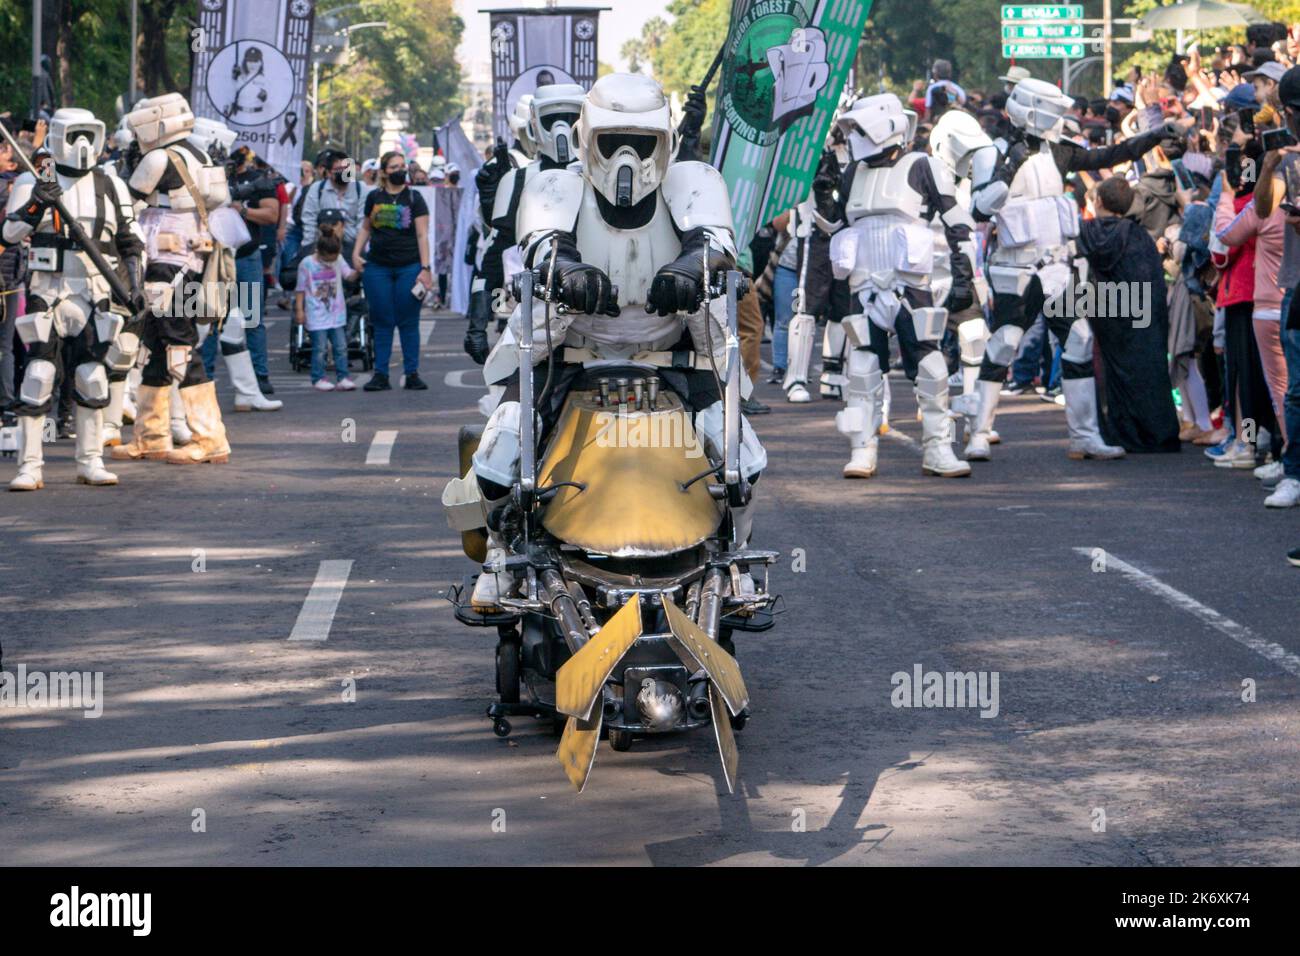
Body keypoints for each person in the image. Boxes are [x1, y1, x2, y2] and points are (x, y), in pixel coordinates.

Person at [469, 72, 765, 609]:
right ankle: (500, 556)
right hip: (571, 355)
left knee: (741, 454)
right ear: (589, 139)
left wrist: (690, 269)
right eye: (613, 142)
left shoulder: (692, 181)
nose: (627, 158)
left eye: (642, 142)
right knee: (499, 448)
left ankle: (733, 560)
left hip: (674, 358)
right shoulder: (557, 184)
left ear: (665, 141)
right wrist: (568, 272)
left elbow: (716, 244)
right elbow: (542, 243)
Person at [965, 78, 1174, 462]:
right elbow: (979, 208)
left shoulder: (1056, 152)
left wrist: (1154, 136)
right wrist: (1009, 168)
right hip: (1017, 264)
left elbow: (1108, 157)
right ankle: (978, 432)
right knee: (1005, 341)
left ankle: (1085, 436)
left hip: (1057, 266)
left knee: (1078, 341)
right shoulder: (990, 153)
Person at [824, 93, 978, 479]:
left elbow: (958, 224)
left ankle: (939, 447)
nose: (855, 135)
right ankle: (862, 448)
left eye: (860, 128)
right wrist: (821, 192)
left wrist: (964, 277)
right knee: (861, 367)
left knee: (929, 364)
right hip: (864, 286)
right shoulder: (853, 171)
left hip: (910, 286)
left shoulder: (922, 165)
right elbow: (837, 225)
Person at [4, 108, 146, 490]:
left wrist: (136, 285)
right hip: (47, 290)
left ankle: (90, 460)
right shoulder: (34, 180)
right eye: (75, 135)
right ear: (58, 137)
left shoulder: (110, 183)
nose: (82, 145)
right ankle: (30, 466)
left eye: (89, 134)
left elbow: (131, 241)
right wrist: (36, 203)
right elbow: (9, 233)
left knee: (92, 376)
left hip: (95, 290)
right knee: (38, 375)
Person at [115, 92, 234, 465]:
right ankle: (151, 436)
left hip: (168, 262)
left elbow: (126, 202)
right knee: (156, 346)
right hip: (187, 258)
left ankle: (210, 437)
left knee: (179, 346)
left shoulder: (158, 158)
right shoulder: (197, 152)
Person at [1076, 176, 1181, 452]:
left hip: (1104, 308)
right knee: (1146, 369)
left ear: (1098, 201)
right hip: (1140, 313)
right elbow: (1151, 281)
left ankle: (1117, 430)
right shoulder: (1139, 237)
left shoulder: (1085, 233)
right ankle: (1154, 431)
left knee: (1111, 371)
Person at [352, 150, 432, 391]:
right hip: (377, 267)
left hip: (409, 267)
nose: (400, 170)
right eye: (394, 167)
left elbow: (422, 235)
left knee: (408, 321)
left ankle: (412, 373)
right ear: (384, 172)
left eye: (402, 166)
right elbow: (366, 228)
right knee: (382, 320)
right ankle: (381, 374)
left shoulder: (415, 198)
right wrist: (356, 253)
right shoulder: (374, 197)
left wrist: (425, 268)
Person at [295, 231, 357, 392]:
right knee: (320, 347)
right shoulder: (307, 264)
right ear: (320, 252)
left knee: (341, 346)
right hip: (316, 313)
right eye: (329, 259)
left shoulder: (338, 259)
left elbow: (348, 275)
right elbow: (300, 289)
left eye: (335, 258)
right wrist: (299, 310)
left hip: (336, 313)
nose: (332, 262)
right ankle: (318, 377)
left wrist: (358, 270)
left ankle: (343, 377)